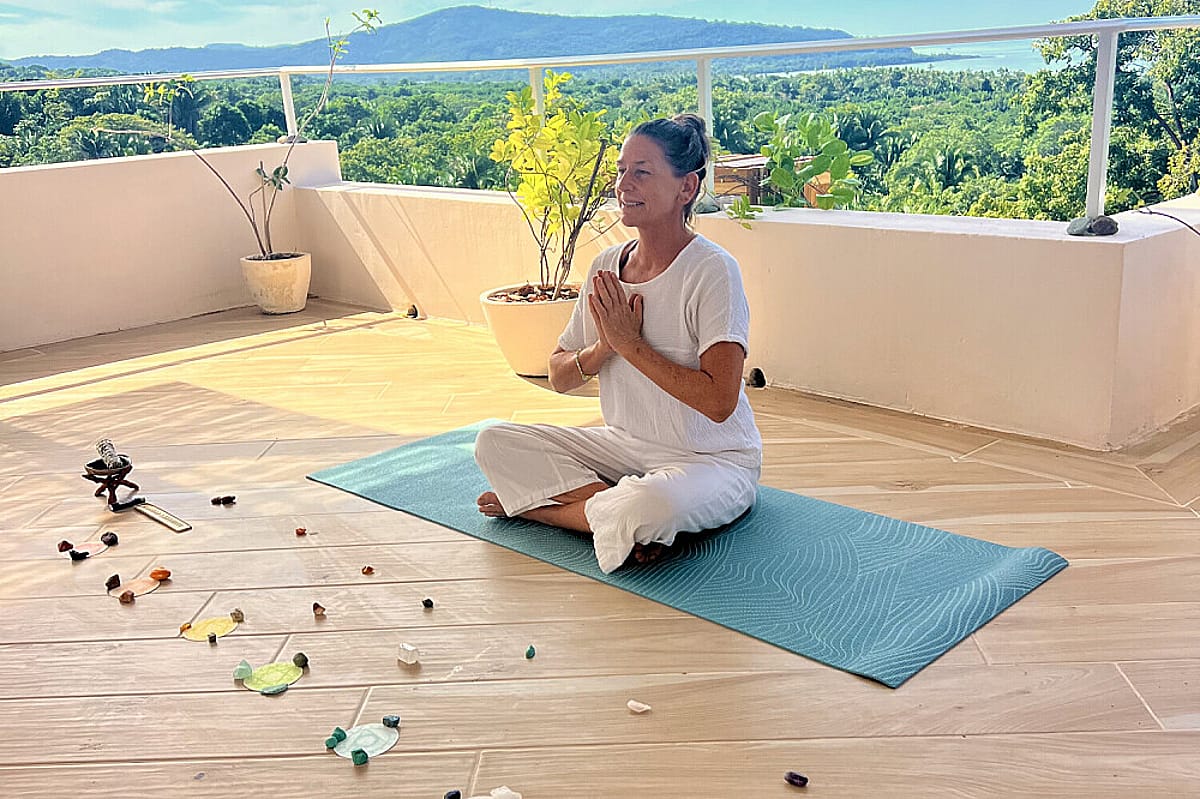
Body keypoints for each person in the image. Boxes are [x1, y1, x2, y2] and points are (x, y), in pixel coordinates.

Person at [474, 113, 762, 573]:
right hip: (623, 449)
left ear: (686, 187)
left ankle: (538, 510)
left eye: (641, 172)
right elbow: (559, 375)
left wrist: (630, 345)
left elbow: (720, 402)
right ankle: (615, 517)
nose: (623, 184)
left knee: (650, 506)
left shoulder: (712, 271)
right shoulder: (607, 266)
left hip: (711, 461)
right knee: (494, 441)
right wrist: (603, 349)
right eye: (622, 170)